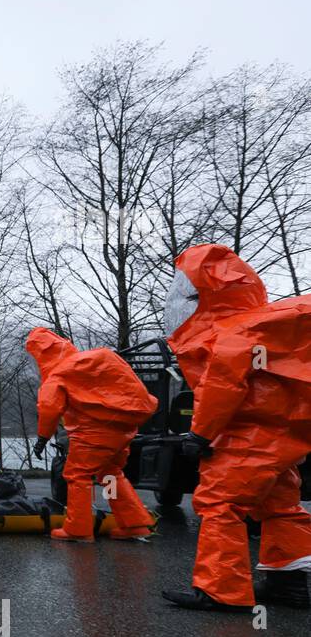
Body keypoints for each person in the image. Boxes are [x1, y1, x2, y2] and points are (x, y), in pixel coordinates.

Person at [160, 244, 311, 611]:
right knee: (281, 505)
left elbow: (222, 387)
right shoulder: (266, 327)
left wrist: (200, 435)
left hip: (245, 437)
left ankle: (221, 590)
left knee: (219, 503)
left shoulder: (231, 332)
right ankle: (289, 583)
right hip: (281, 439)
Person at [26, 327, 157, 543]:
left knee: (77, 475)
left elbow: (49, 408)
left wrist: (42, 438)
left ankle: (78, 528)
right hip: (125, 427)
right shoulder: (100, 357)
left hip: (95, 430)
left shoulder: (59, 374)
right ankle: (134, 522)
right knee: (110, 473)